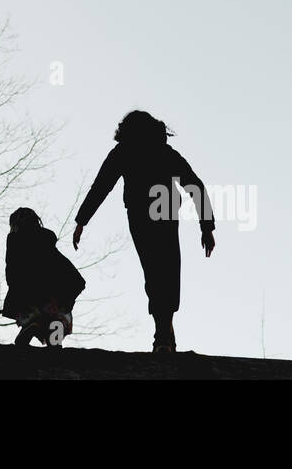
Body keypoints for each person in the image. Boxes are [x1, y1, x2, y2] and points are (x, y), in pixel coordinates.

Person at [73, 110, 215, 352]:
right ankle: (164, 330)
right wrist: (206, 227)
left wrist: (82, 221)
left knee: (157, 272)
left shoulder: (126, 151)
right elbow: (194, 185)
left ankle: (163, 331)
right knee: (165, 271)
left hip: (145, 213)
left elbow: (102, 186)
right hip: (161, 210)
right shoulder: (160, 151)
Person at [0, 207, 85, 347]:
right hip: (54, 295)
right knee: (58, 318)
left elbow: (11, 269)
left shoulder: (15, 241)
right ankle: (55, 338)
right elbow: (74, 277)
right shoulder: (48, 243)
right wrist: (66, 300)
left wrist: (15, 290)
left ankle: (31, 324)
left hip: (27, 294)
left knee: (33, 316)